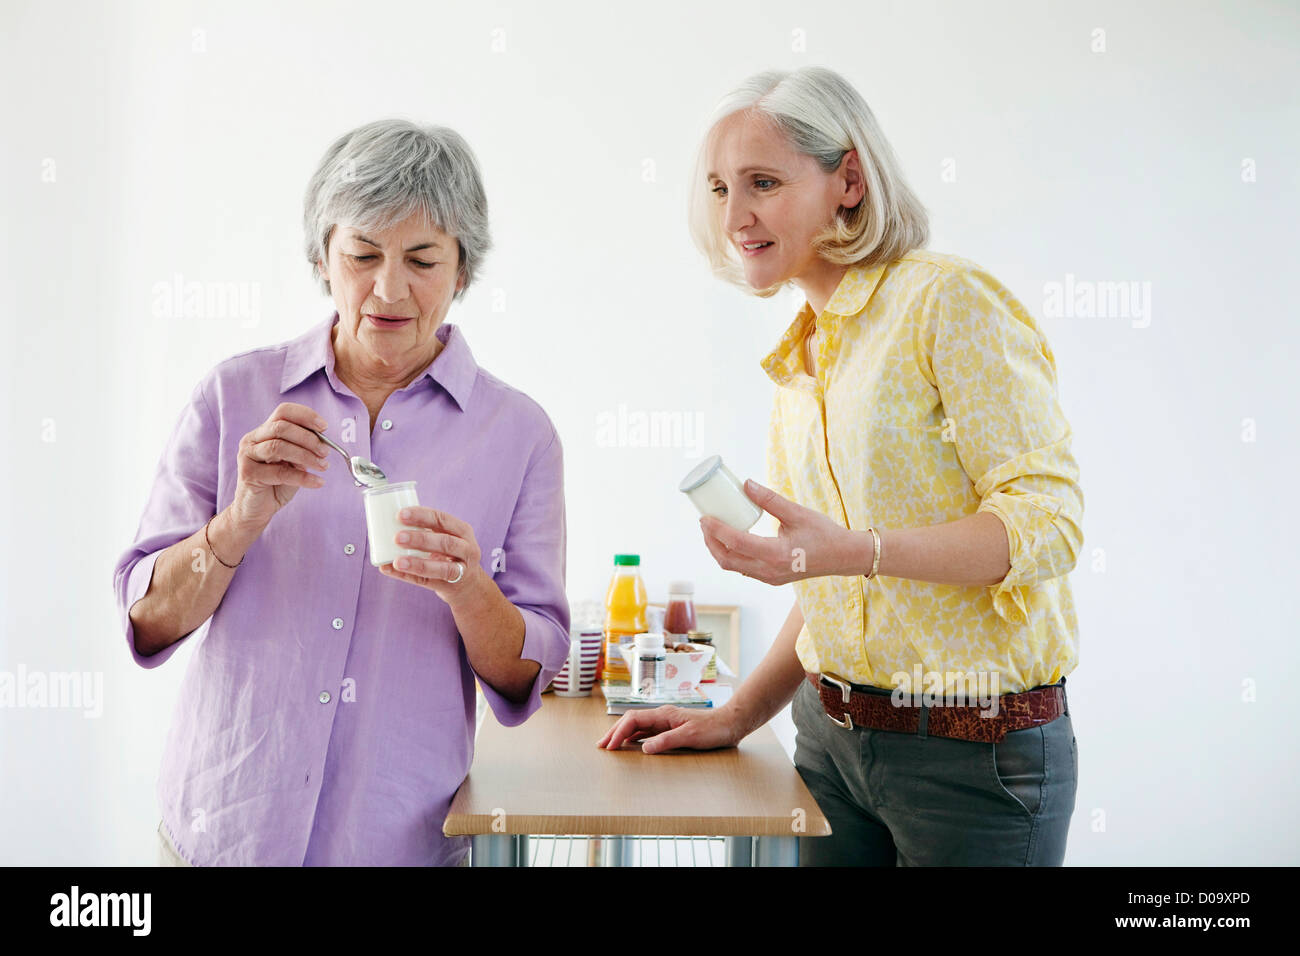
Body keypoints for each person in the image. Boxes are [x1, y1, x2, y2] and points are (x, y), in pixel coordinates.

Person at [598, 67, 1082, 866]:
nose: (735, 215)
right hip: (829, 746)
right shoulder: (804, 353)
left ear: (848, 180)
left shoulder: (947, 303)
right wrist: (737, 715)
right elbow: (830, 591)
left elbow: (1049, 526)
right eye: (721, 188)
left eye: (763, 183)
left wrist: (855, 551)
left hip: (974, 760)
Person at [113, 119, 570, 866]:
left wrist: (468, 588)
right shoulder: (236, 395)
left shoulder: (519, 435)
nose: (389, 289)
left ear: (462, 272)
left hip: (398, 844)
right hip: (221, 834)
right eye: (362, 255)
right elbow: (148, 620)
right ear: (323, 260)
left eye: (423, 259)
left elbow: (529, 670)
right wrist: (240, 521)